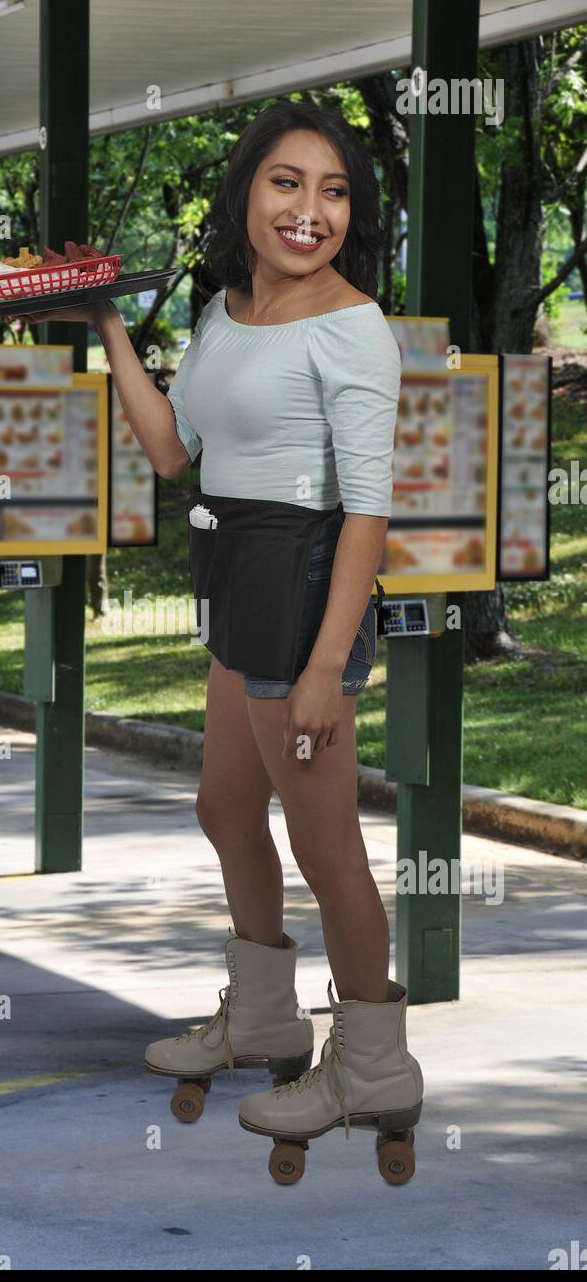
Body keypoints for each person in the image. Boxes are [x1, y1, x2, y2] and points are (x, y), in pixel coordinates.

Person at [23, 99, 423, 1181]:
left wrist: (325, 671)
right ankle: (263, 1020)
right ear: (247, 191)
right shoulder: (222, 310)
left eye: (333, 189)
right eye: (287, 182)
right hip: (234, 573)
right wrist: (106, 322)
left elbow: (368, 513)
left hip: (300, 589)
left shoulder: (350, 328)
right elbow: (169, 451)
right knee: (220, 805)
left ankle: (373, 1063)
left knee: (325, 845)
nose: (309, 209)